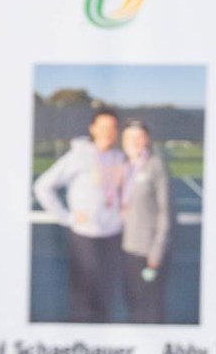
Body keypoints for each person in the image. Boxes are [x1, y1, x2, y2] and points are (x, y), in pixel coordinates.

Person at [33, 109, 128, 322]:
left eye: (112, 128)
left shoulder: (120, 157)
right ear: (92, 129)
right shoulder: (78, 156)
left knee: (106, 296)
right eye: (102, 127)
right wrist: (67, 217)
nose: (107, 132)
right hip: (85, 237)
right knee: (82, 298)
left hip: (113, 236)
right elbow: (42, 186)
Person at [119, 121, 172, 324]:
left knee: (150, 309)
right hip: (127, 250)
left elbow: (165, 212)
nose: (133, 142)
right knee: (133, 305)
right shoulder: (126, 166)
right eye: (128, 138)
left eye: (138, 137)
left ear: (146, 140)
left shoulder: (155, 165)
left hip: (148, 253)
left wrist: (155, 254)